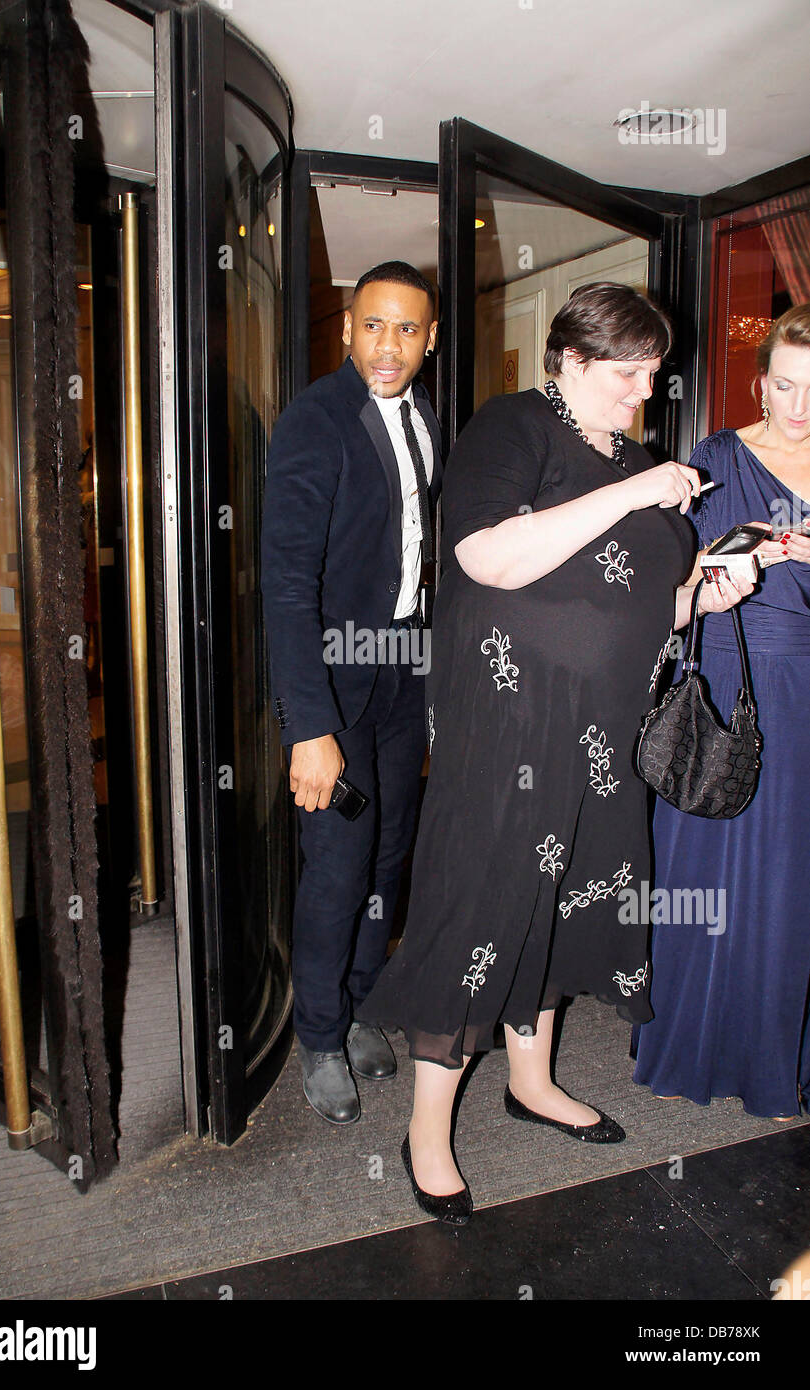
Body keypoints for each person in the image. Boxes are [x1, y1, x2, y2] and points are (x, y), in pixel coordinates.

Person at [359, 281, 753, 1223]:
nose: (643, 392)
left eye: (652, 374)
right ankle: (423, 1130)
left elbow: (640, 604)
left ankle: (530, 1083)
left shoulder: (635, 456)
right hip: (511, 726)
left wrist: (712, 591)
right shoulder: (513, 428)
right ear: (570, 360)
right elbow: (488, 558)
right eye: (627, 373)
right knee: (482, 904)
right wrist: (632, 494)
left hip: (602, 729)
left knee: (568, 899)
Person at [261, 261, 441, 1124]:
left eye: (406, 328)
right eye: (373, 324)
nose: (388, 345)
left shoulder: (430, 420)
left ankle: (365, 1000)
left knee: (387, 854)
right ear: (345, 329)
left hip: (404, 672)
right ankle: (321, 1034)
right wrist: (308, 727)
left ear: (428, 338)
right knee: (336, 867)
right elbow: (287, 583)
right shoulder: (314, 421)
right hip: (333, 681)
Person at [633, 303, 810, 1119]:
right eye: (784, 385)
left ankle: (780, 1053)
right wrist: (722, 571)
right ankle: (697, 1042)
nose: (798, 408)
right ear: (760, 380)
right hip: (735, 682)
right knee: (709, 870)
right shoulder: (717, 457)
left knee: (791, 883)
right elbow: (679, 585)